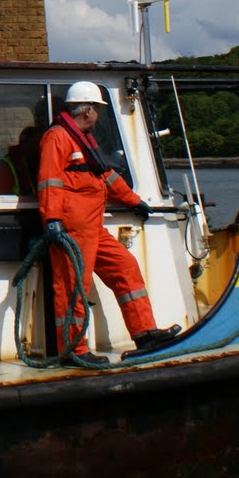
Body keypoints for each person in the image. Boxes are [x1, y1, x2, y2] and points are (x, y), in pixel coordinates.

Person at [36, 81, 181, 367]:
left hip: (92, 227)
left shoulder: (83, 139)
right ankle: (74, 350)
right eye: (98, 110)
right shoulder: (58, 138)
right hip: (72, 227)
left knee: (125, 267)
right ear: (87, 110)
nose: (98, 115)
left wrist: (133, 200)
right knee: (73, 287)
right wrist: (52, 219)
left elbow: (105, 176)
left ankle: (145, 334)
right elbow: (49, 180)